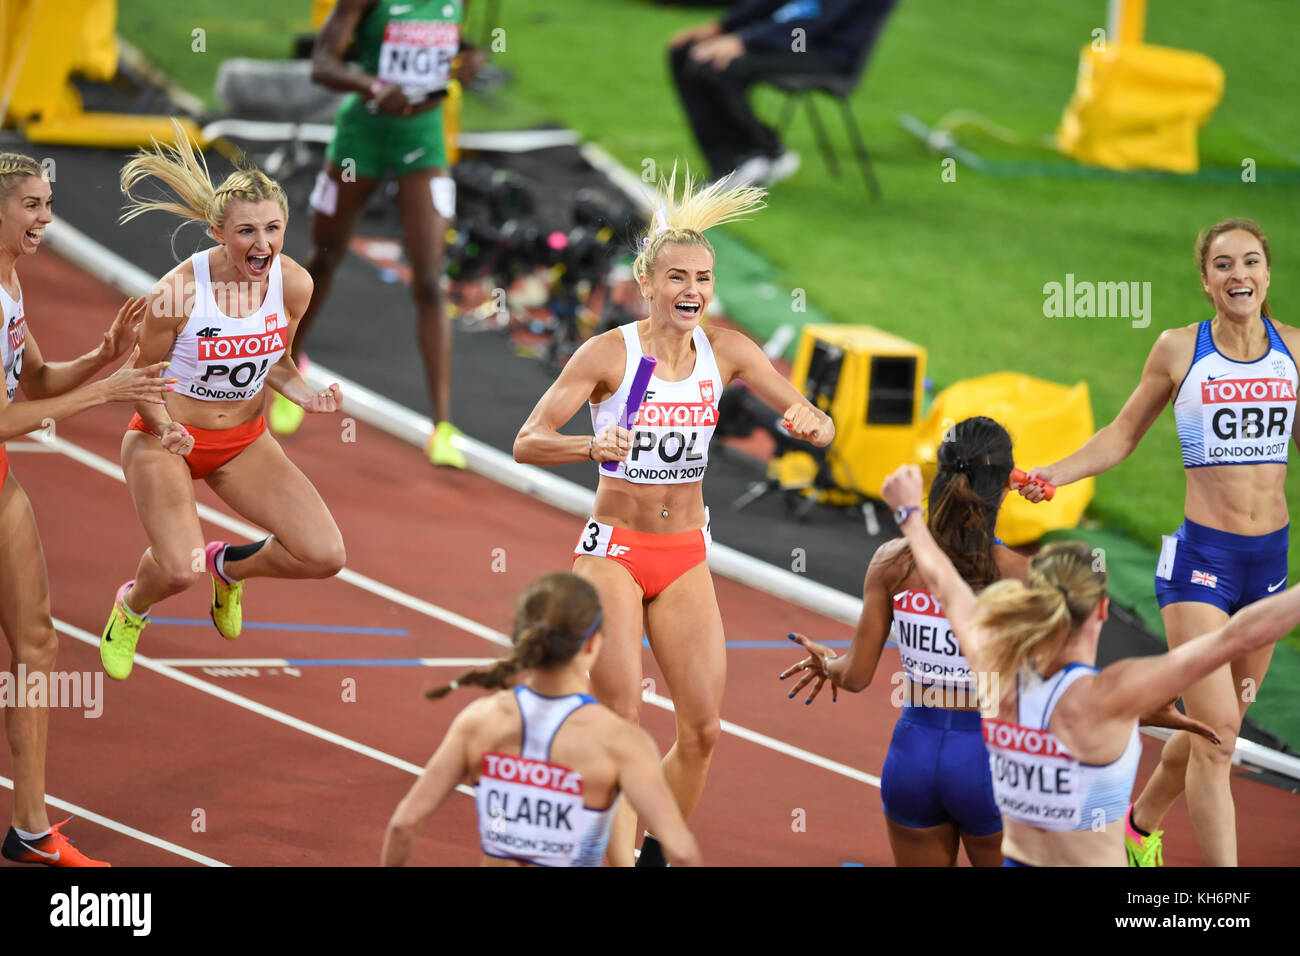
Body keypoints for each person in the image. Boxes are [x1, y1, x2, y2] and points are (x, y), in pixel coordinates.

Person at [514, 167, 834, 866]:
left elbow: (818, 421)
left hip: (686, 551)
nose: (693, 292)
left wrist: (812, 420)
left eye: (703, 279)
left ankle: (644, 850)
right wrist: (588, 444)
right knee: (625, 722)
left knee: (705, 730)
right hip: (615, 554)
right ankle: (612, 855)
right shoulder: (609, 355)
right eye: (679, 278)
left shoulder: (729, 351)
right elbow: (527, 441)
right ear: (648, 284)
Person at [1018, 219, 1293, 867]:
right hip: (1202, 565)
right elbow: (1120, 435)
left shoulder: (1296, 352)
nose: (1238, 276)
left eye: (1250, 263)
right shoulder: (1178, 351)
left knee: (1216, 726)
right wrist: (1053, 476)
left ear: (1267, 275)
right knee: (1219, 736)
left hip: (1270, 569)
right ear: (1205, 281)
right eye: (1223, 265)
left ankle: (1138, 827)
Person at [881, 462, 1299, 866]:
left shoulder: (995, 670)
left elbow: (946, 585)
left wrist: (911, 517)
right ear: (1103, 608)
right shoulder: (1114, 693)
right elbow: (1238, 636)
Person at [99, 127, 347, 681]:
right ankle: (131, 607)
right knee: (179, 570)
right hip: (165, 440)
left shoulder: (293, 284)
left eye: (273, 229)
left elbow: (277, 361)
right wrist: (164, 427)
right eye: (246, 232)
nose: (262, 244)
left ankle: (229, 568)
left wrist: (308, 396)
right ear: (217, 232)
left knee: (325, 555)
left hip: (243, 444)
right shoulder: (178, 293)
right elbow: (140, 374)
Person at [0, 153, 174, 866]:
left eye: (47, 204)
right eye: (33, 206)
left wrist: (104, 356)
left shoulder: (8, 281)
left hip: (1, 482)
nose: (47, 219)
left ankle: (31, 830)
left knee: (36, 646)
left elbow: (34, 378)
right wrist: (103, 396)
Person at [782, 417, 1024, 866]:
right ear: (1009, 483)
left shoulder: (892, 562)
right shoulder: (1022, 577)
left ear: (940, 474)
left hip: (911, 759)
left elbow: (854, 676)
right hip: (990, 766)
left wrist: (829, 663)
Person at [276, 0, 484, 470]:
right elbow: (323, 64)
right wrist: (372, 85)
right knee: (325, 256)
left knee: (429, 279)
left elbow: (445, 42)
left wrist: (470, 59)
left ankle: (443, 426)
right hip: (362, 135)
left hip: (423, 135)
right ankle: (292, 364)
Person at [382, 572, 701, 867]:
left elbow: (402, 826)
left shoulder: (480, 721)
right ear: (592, 644)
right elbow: (682, 852)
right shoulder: (620, 742)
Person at [668, 0, 897, 187]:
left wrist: (744, 41)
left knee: (714, 66)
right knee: (684, 52)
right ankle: (730, 161)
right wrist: (722, 26)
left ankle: (763, 152)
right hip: (790, 40)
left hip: (824, 52)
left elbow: (815, 21)